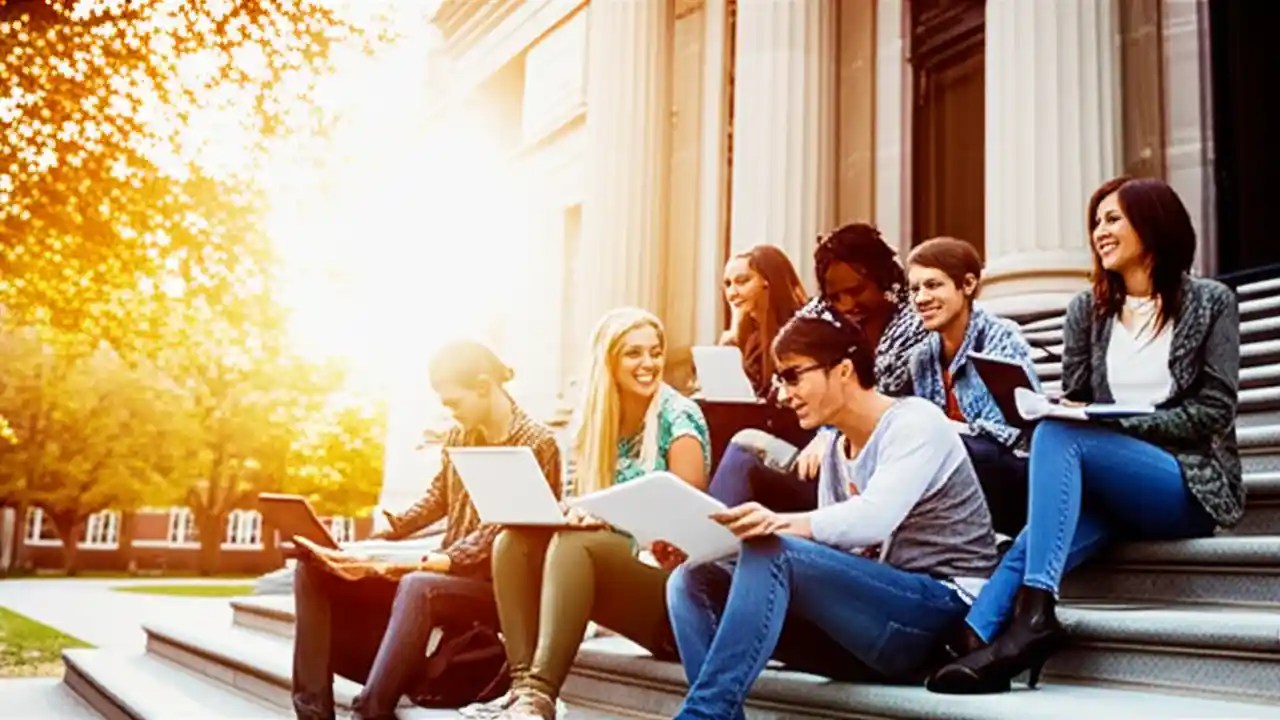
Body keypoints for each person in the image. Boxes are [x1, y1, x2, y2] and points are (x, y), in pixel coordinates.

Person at [927, 177, 1242, 695]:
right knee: (1047, 476)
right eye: (1096, 221)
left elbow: (1213, 411)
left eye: (1113, 218)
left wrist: (1106, 421)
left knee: (1062, 437)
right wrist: (1047, 408)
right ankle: (973, 635)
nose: (1100, 230)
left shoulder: (1211, 302)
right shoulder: (1087, 311)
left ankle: (1032, 616)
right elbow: (1075, 402)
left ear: (1153, 221)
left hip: (1185, 482)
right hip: (1114, 485)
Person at [667, 299, 998, 720]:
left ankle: (701, 716)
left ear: (843, 370)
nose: (784, 394)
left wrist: (782, 523)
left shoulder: (916, 422)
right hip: (871, 625)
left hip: (940, 615)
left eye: (793, 376)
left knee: (775, 551)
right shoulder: (837, 451)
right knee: (692, 578)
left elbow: (875, 518)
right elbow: (838, 561)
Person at [291, 341, 562, 720]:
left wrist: (440, 559)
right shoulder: (459, 436)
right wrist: (380, 538)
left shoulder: (537, 443)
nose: (448, 411)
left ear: (484, 386)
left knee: (419, 585)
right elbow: (437, 498)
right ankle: (312, 713)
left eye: (453, 402)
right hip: (444, 575)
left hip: (499, 591)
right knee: (313, 570)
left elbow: (502, 530)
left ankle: (371, 711)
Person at [466, 307, 711, 720]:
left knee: (576, 545)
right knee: (514, 540)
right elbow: (593, 514)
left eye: (655, 352)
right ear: (609, 361)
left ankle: (542, 692)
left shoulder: (679, 419)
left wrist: (606, 518)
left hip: (678, 599)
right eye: (634, 354)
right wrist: (572, 511)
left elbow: (684, 529)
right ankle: (523, 690)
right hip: (620, 577)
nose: (648, 363)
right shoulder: (598, 424)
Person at [708, 223, 928, 512]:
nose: (847, 304)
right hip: (823, 459)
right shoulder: (825, 318)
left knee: (746, 446)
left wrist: (831, 434)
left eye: (857, 290)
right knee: (734, 439)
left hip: (875, 471)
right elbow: (785, 369)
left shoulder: (915, 325)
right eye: (836, 296)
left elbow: (883, 404)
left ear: (882, 279)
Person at [906, 237, 1039, 536]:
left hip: (1011, 473)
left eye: (932, 285)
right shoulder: (922, 357)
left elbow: (1007, 434)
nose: (921, 298)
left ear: (967, 285)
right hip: (954, 473)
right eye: (915, 289)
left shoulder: (1001, 338)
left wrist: (935, 432)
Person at [719, 245, 809, 397]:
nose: (732, 293)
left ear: (768, 282)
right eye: (728, 284)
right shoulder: (746, 336)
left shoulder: (801, 333)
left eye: (742, 281)